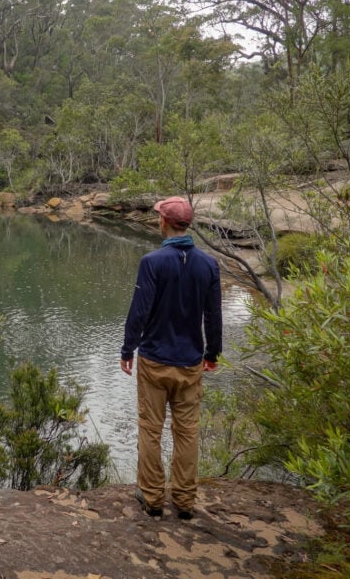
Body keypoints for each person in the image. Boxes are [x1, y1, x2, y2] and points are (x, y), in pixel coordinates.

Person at [120, 195, 222, 521]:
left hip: (154, 360)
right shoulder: (208, 264)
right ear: (186, 224)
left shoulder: (153, 262)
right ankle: (184, 501)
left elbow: (140, 311)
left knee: (150, 429)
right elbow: (213, 316)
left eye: (158, 217)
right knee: (187, 431)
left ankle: (151, 498)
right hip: (190, 361)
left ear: (164, 222)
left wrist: (127, 350)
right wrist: (213, 353)